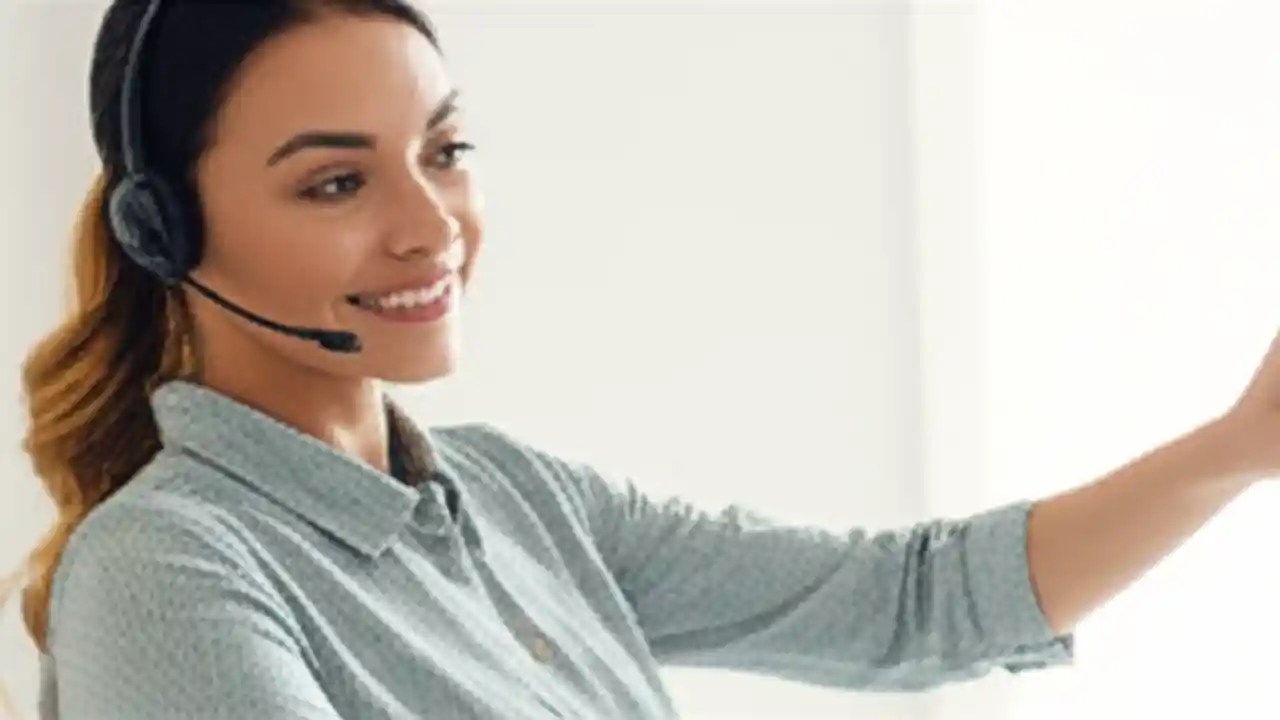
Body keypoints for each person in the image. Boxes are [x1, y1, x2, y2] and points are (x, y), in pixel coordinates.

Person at [3, 1, 1278, 718]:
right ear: (164, 227)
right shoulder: (166, 572)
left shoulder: (518, 502)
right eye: (338, 179)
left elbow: (912, 605)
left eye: (443, 151)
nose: (430, 223)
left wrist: (1239, 446)